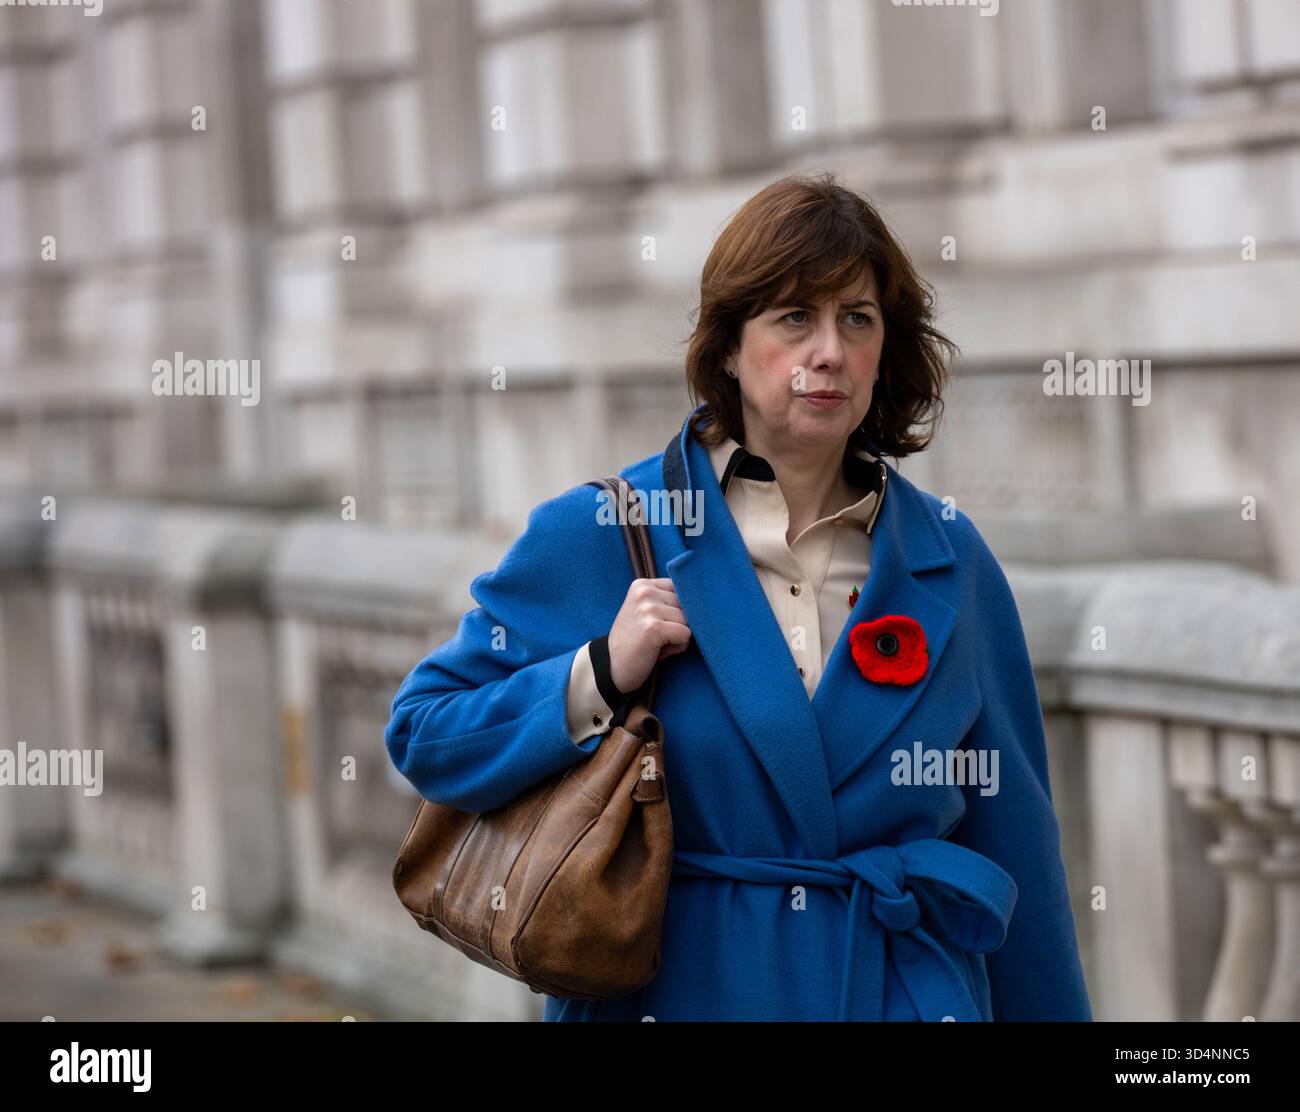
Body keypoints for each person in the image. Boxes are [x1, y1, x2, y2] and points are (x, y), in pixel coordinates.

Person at [384, 171, 1093, 1021]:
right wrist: (599, 672)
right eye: (795, 317)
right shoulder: (610, 530)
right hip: (682, 990)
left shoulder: (951, 559)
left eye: (856, 320)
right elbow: (424, 734)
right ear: (727, 345)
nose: (828, 351)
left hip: (898, 991)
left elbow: (1018, 853)